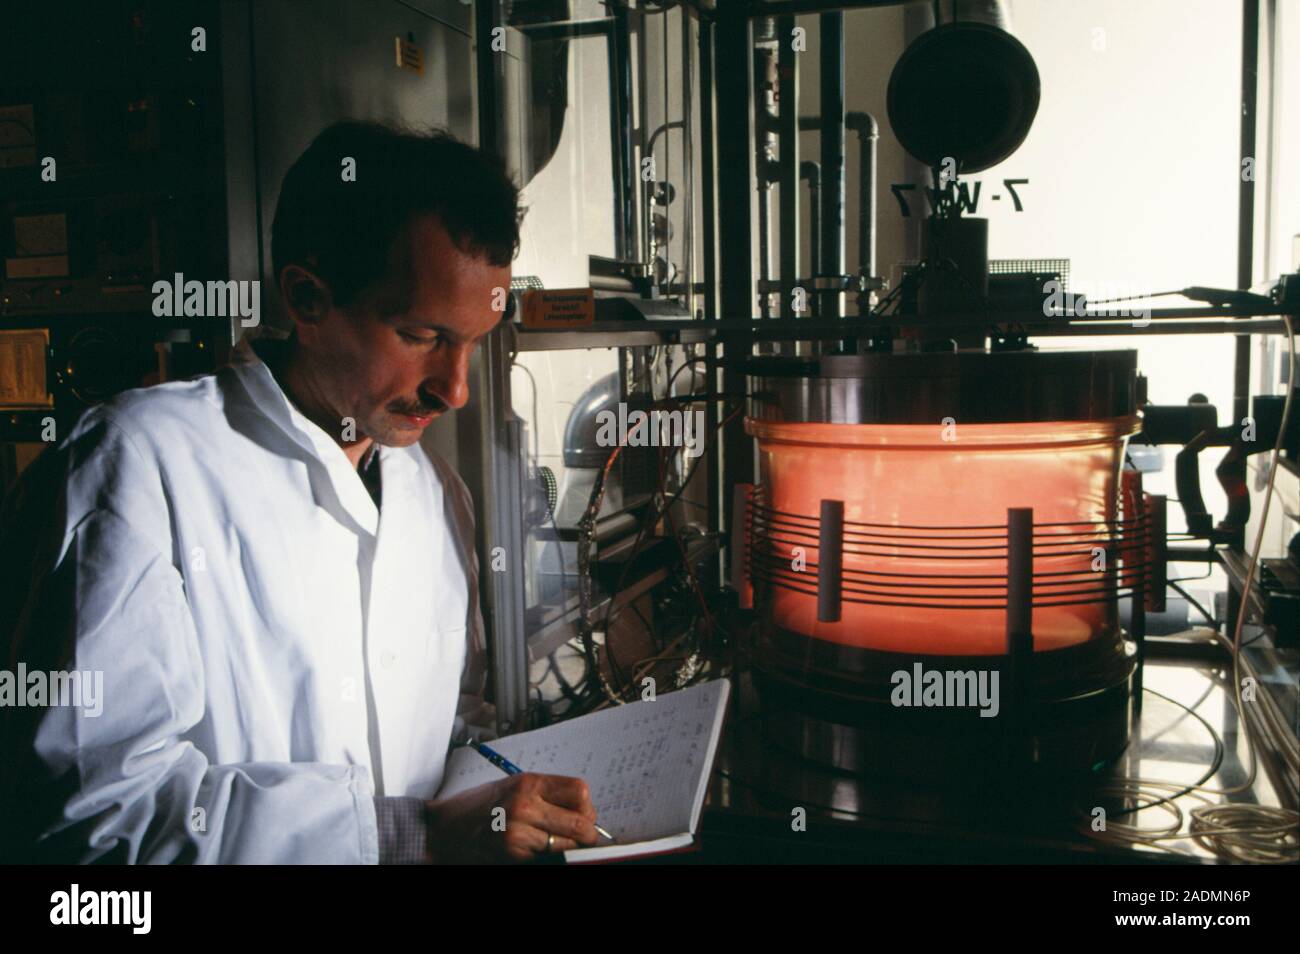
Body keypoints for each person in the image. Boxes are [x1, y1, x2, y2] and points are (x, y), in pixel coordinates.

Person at [0, 121, 599, 863]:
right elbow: (92, 817)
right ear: (307, 299)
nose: (456, 389)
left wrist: (508, 796)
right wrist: (412, 837)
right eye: (421, 336)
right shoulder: (138, 464)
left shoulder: (434, 491)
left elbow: (448, 727)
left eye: (473, 342)